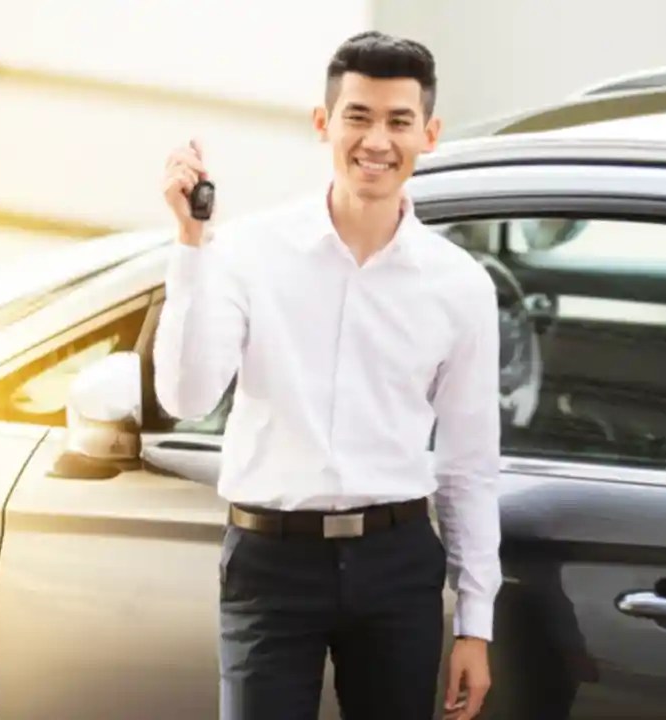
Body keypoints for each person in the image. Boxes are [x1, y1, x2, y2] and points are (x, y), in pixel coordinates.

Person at [153, 30, 502, 720]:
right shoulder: (248, 251)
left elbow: (469, 462)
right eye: (358, 117)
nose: (377, 141)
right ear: (323, 123)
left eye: (399, 121)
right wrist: (190, 247)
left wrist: (475, 622)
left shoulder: (459, 285)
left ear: (428, 135)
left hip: (397, 563)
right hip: (270, 561)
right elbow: (185, 396)